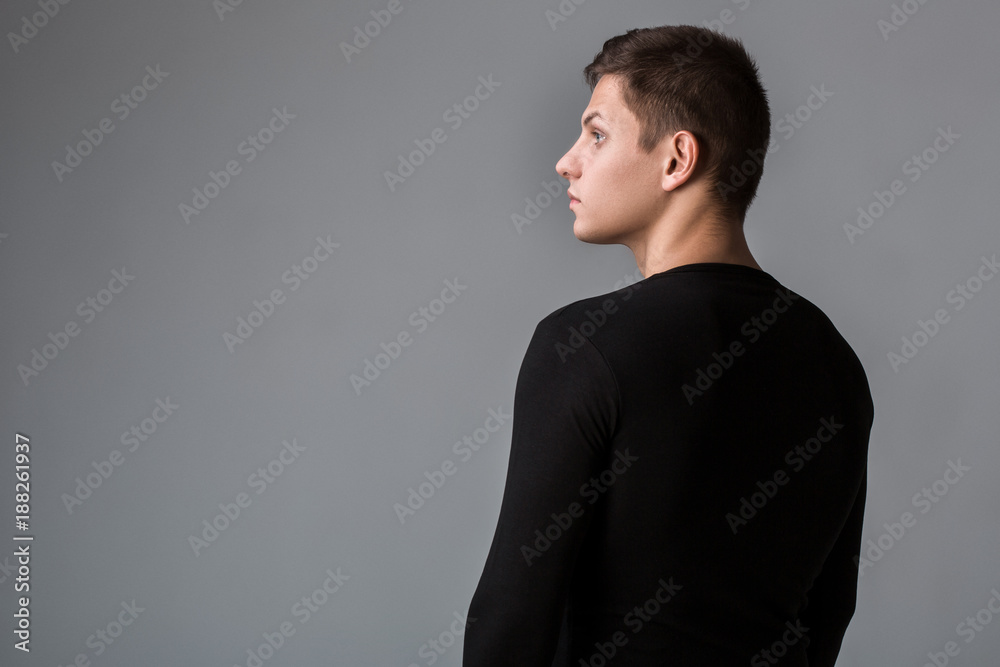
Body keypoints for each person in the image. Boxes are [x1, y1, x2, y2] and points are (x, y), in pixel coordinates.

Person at [462, 25, 874, 666]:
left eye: (596, 134)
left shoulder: (584, 345)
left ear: (677, 159)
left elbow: (512, 620)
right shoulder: (835, 361)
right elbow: (829, 612)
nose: (567, 160)